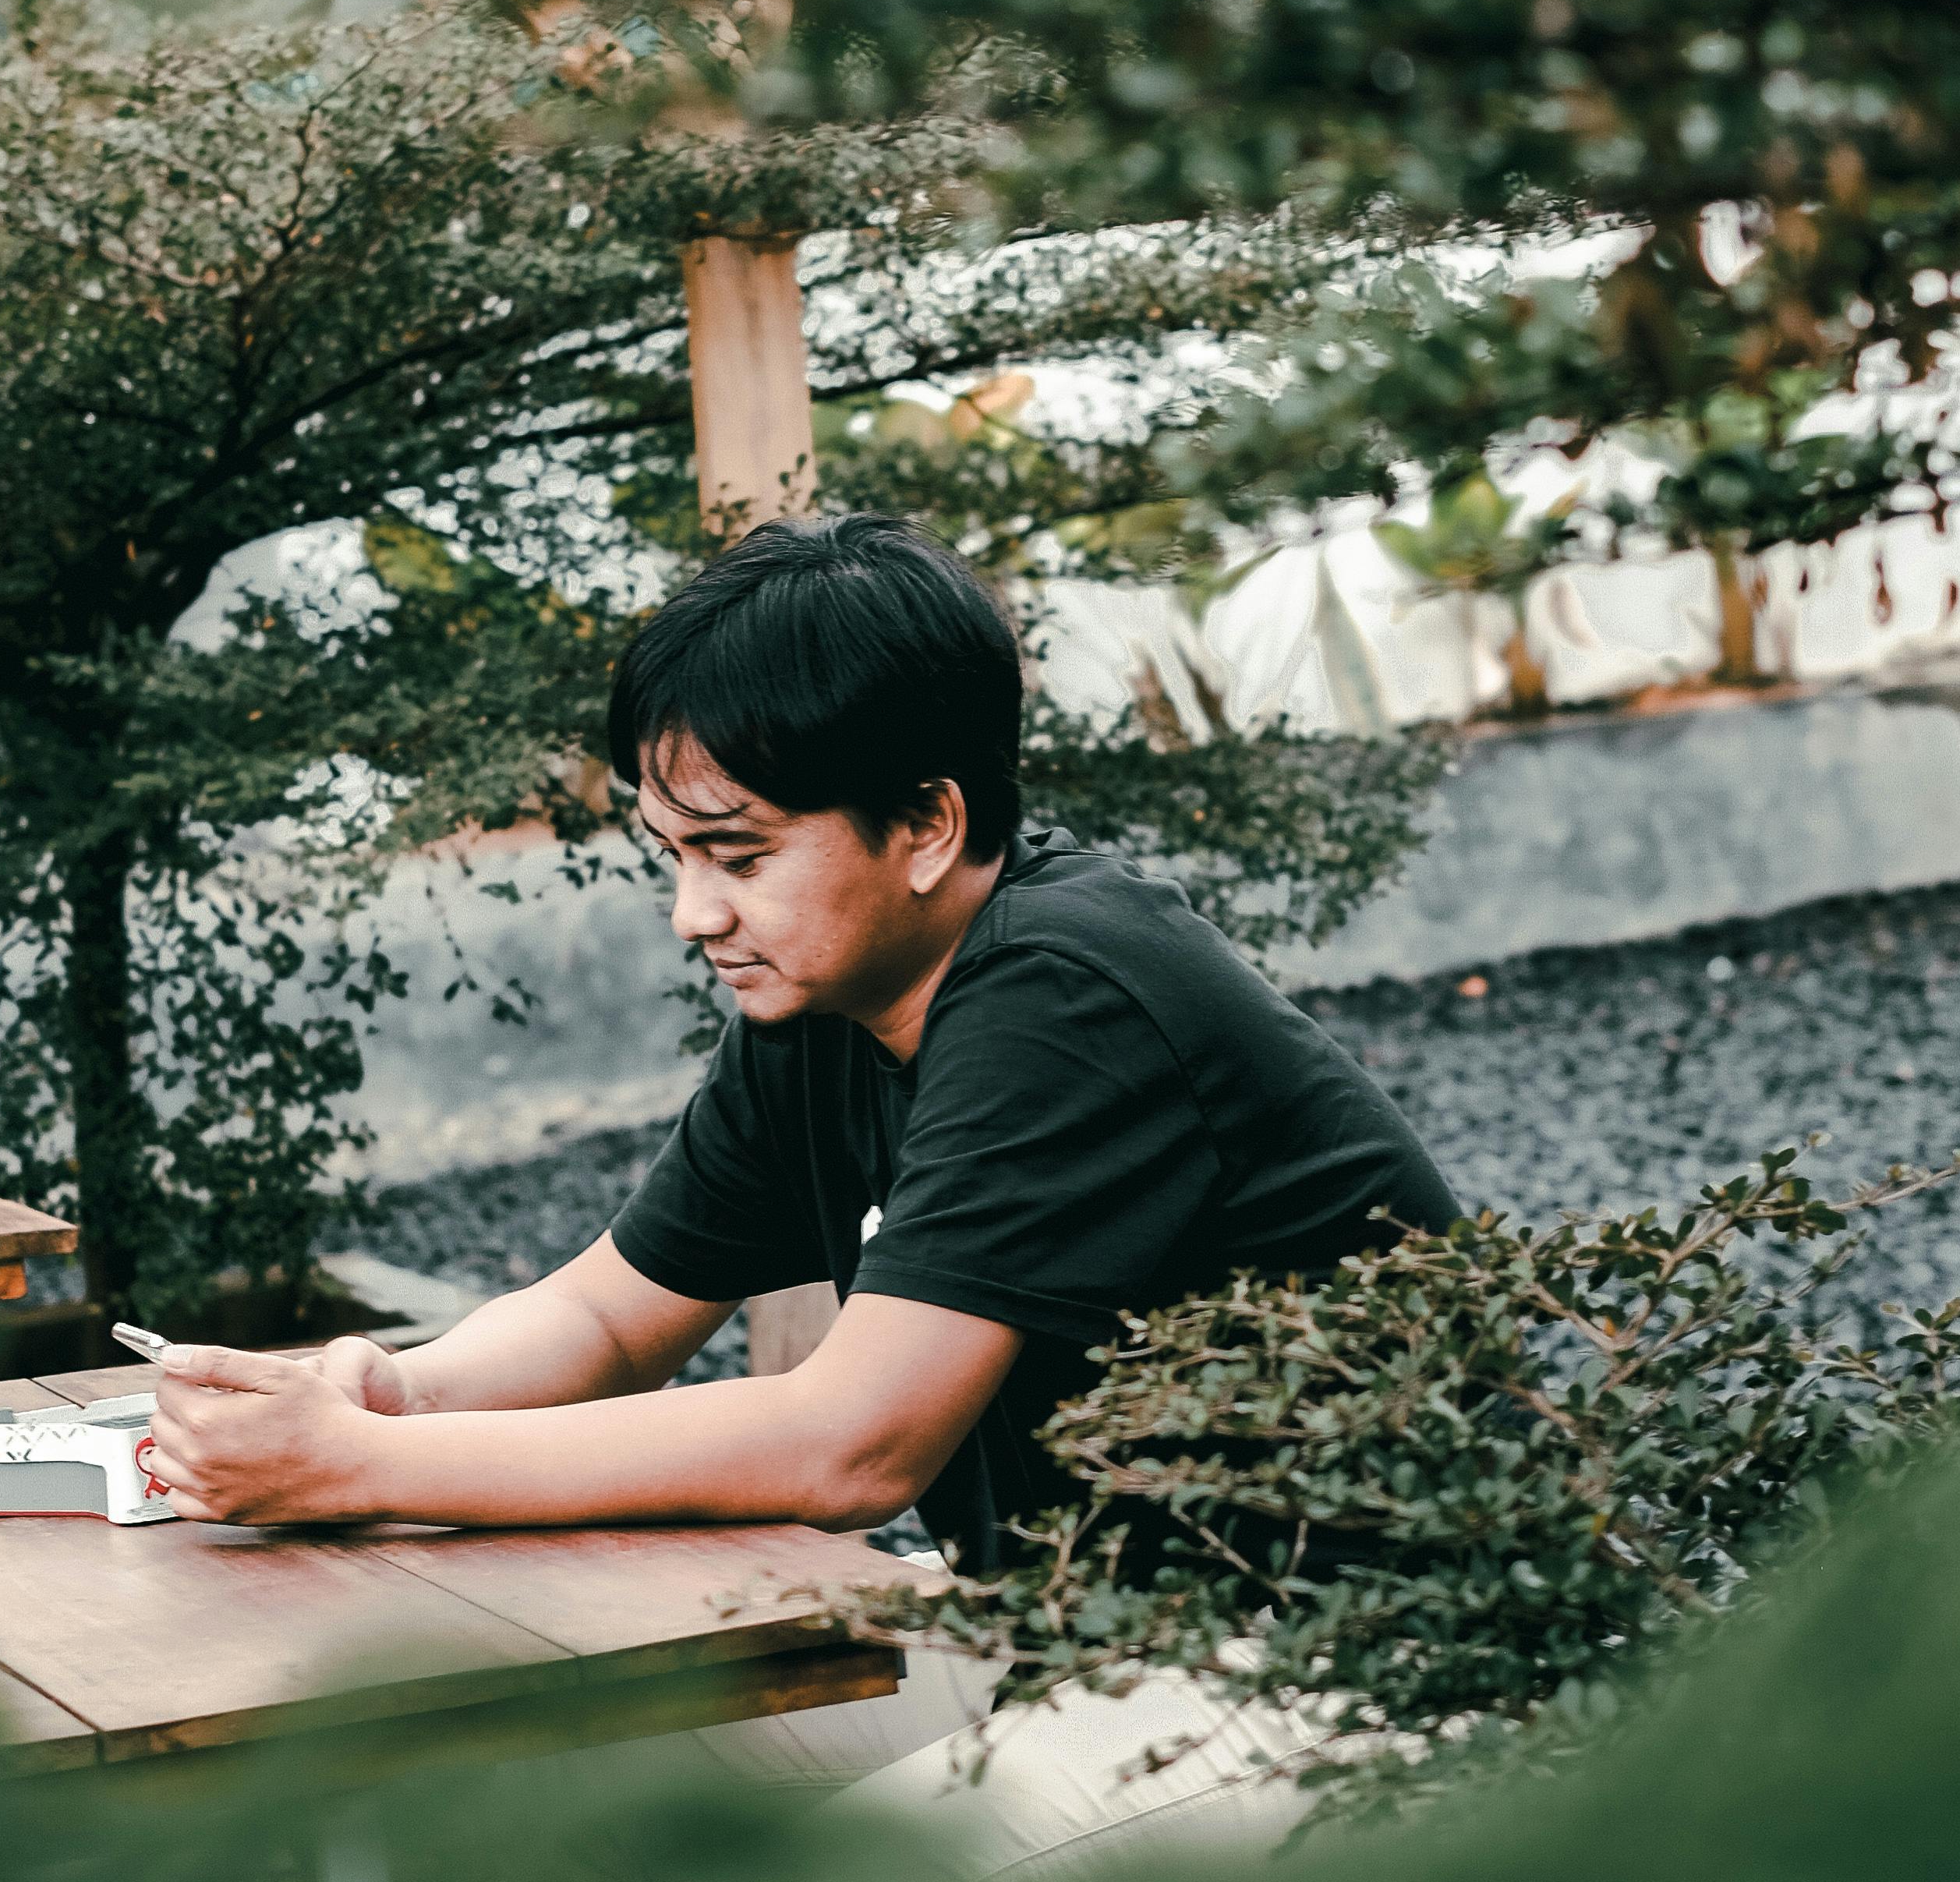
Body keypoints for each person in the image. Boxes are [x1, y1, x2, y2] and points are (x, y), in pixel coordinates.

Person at [144, 511, 1458, 1563]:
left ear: (929, 824)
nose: (691, 914)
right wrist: (389, 1397)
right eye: (674, 856)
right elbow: (611, 1318)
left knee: (720, 1875)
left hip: (1335, 1695)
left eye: (738, 854)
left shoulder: (1070, 994)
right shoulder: (829, 993)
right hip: (1079, 1643)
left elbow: (849, 1449)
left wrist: (361, 1472)